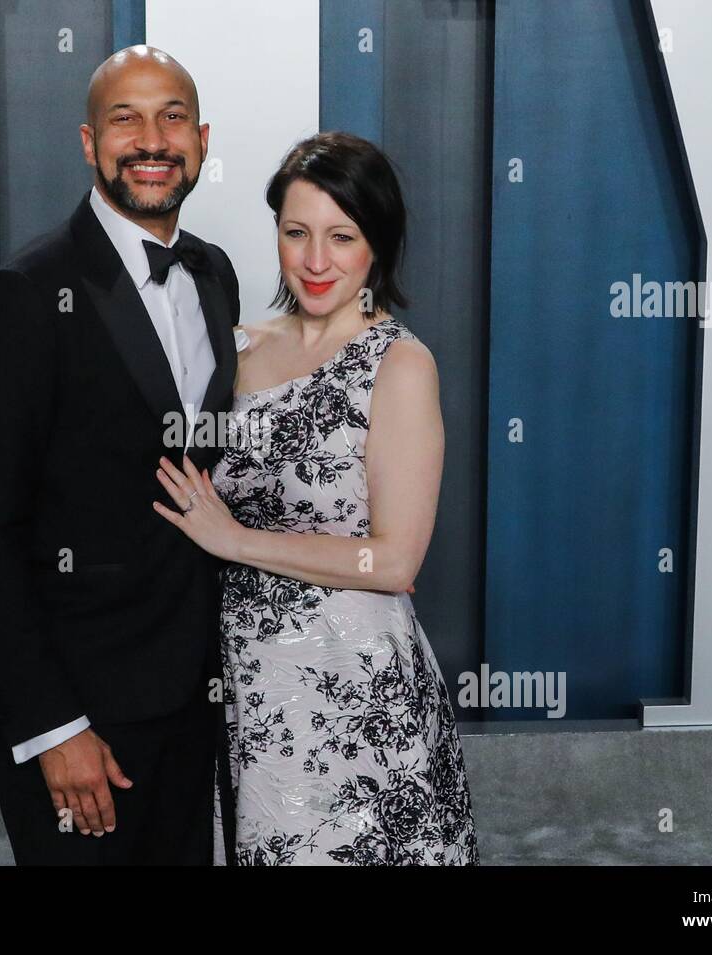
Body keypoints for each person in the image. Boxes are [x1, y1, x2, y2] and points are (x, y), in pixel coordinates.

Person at [0, 45, 239, 865]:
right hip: (83, 716)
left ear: (203, 140)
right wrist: (52, 725)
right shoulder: (22, 298)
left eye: (172, 117)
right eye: (126, 119)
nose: (153, 139)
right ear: (87, 142)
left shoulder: (214, 274)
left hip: (201, 704)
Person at [153, 131, 479, 865]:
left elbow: (396, 560)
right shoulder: (232, 348)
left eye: (342, 236)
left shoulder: (399, 363)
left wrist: (234, 539)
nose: (316, 260)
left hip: (356, 691)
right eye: (296, 233)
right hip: (242, 685)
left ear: (378, 244)